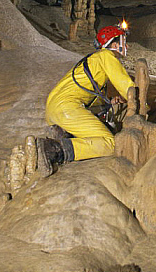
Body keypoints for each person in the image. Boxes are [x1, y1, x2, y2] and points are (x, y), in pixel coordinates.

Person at [37, 24, 135, 176]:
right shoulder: (106, 56)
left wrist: (110, 102)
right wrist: (140, 104)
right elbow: (126, 86)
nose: (127, 45)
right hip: (67, 108)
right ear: (114, 44)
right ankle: (55, 149)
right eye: (124, 41)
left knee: (98, 130)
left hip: (55, 109)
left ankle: (64, 133)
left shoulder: (93, 61)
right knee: (111, 143)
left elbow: (90, 97)